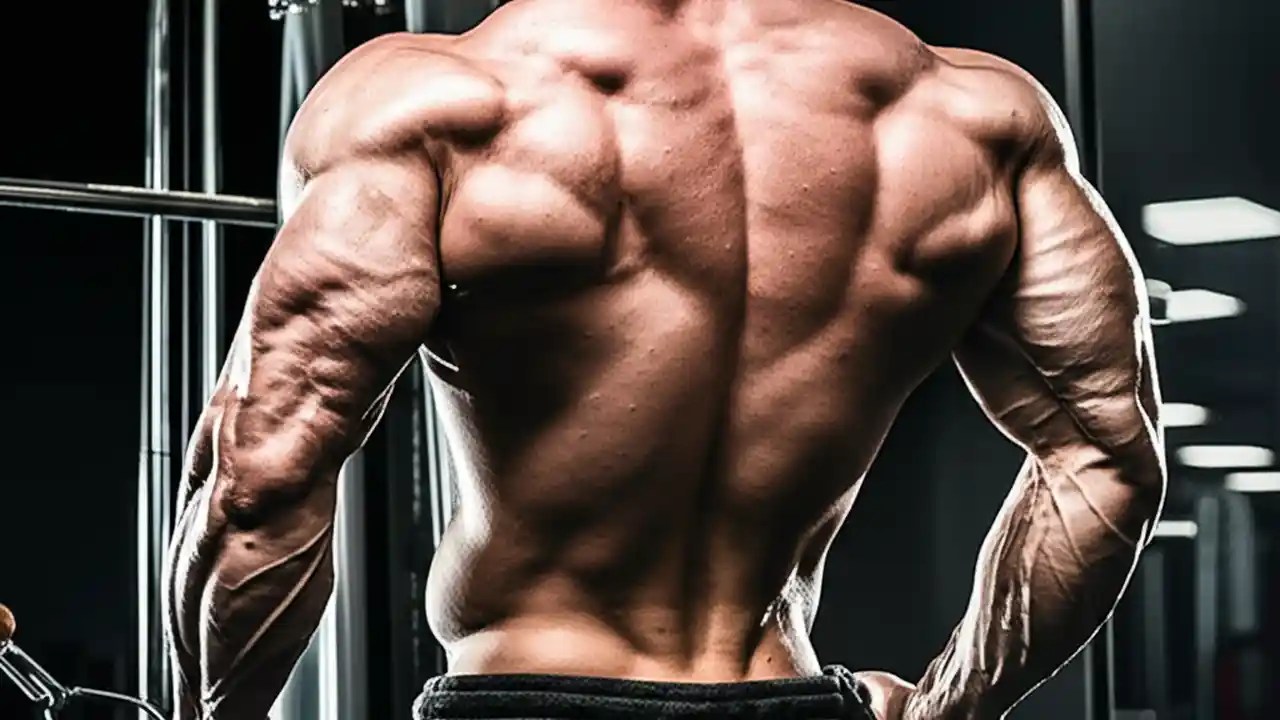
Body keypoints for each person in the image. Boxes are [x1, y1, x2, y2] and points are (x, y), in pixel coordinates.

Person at [163, 0, 1167, 718]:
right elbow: (1107, 463)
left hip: (524, 696)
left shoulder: (441, 102)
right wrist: (951, 705)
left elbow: (263, 471)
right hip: (785, 694)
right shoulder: (972, 120)